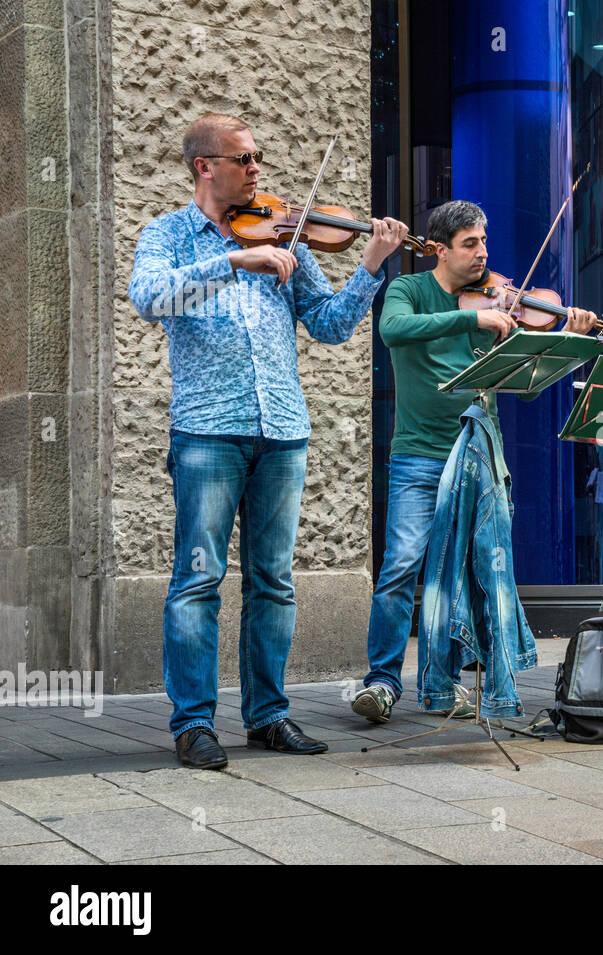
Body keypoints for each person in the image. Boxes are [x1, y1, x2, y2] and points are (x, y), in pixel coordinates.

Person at [128, 113, 408, 769]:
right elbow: (147, 296)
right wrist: (234, 259)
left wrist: (370, 265)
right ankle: (194, 723)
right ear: (205, 166)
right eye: (244, 158)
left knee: (273, 582)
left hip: (283, 429)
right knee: (197, 579)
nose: (257, 169)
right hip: (206, 431)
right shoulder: (169, 234)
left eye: (259, 157)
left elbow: (332, 326)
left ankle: (269, 716)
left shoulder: (289, 234)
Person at [349, 200, 598, 723]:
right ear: (440, 249)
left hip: (481, 453)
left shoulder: (499, 306)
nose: (483, 252)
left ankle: (448, 681)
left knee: (475, 571)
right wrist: (472, 315)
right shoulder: (410, 291)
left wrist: (565, 337)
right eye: (470, 243)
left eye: (484, 241)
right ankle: (381, 682)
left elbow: (525, 388)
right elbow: (392, 330)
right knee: (401, 568)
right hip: (420, 455)